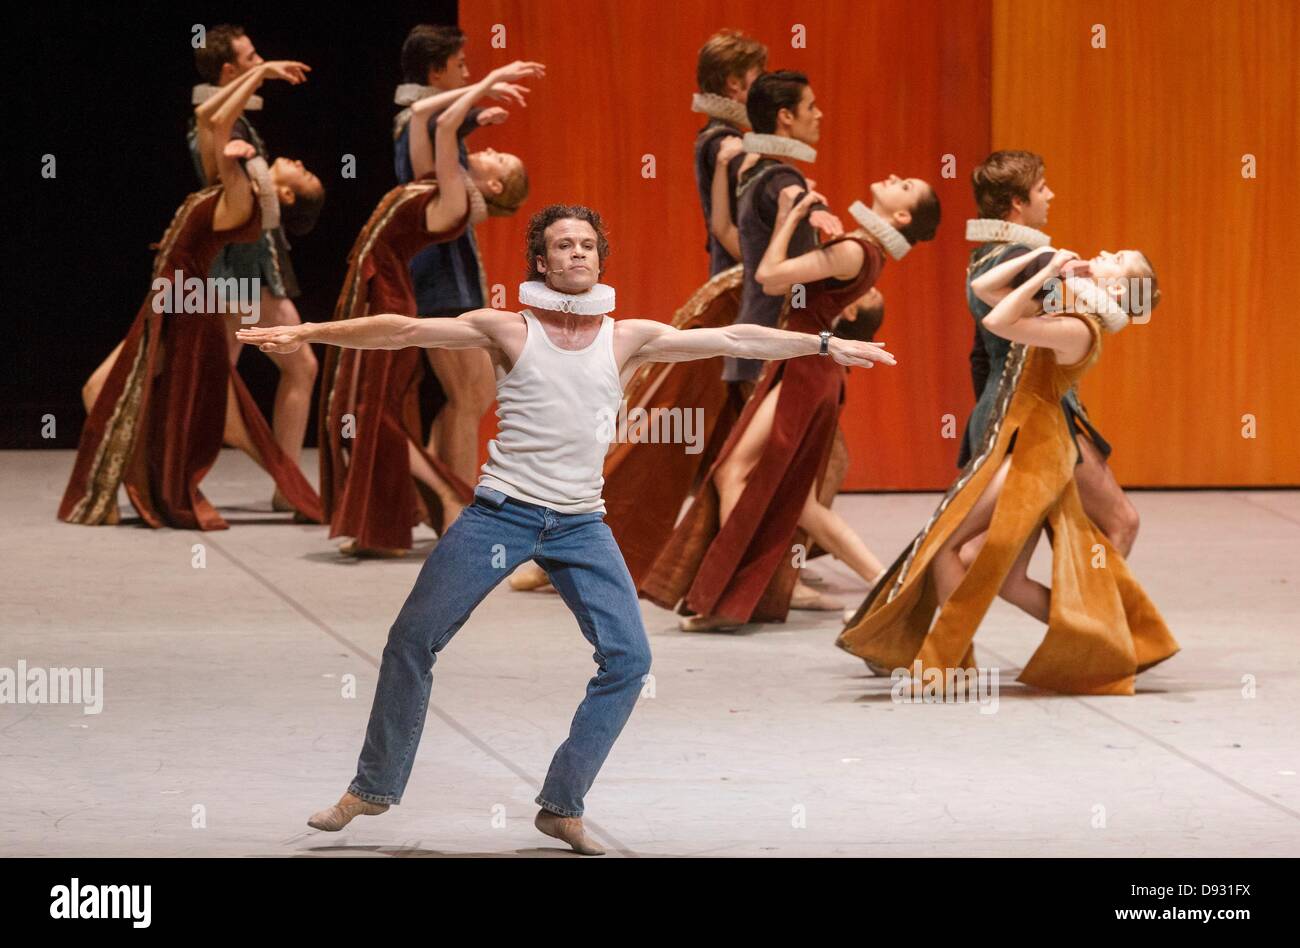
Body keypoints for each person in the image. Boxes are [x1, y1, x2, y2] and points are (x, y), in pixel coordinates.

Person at [237, 204, 896, 854]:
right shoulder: (507, 328)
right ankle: (372, 787)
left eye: (586, 244)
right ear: (542, 261)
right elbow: (403, 330)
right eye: (563, 245)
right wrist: (310, 332)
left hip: (581, 524)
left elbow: (735, 340)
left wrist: (825, 343)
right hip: (502, 513)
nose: (577, 253)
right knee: (411, 640)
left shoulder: (627, 338)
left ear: (599, 259)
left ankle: (562, 804)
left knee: (631, 660)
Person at [838, 245, 1178, 695]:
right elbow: (986, 289)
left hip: (1038, 453)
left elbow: (997, 321)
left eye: (1117, 259)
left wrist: (1049, 273)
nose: (1105, 252)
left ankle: (948, 667)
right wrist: (1042, 256)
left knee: (948, 544)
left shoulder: (1080, 328)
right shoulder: (1069, 304)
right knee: (1010, 581)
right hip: (1024, 441)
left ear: (1116, 288)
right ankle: (1106, 641)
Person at [642, 176, 940, 629]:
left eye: (905, 185)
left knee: (733, 472)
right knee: (797, 501)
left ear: (901, 216)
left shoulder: (854, 252)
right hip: (807, 364)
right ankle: (885, 583)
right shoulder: (861, 248)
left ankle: (727, 602)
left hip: (806, 367)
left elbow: (770, 277)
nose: (894, 177)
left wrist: (788, 217)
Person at [61, 61, 323, 529]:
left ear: (283, 195)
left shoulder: (240, 197)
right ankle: (167, 478)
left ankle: (165, 479)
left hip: (186, 301)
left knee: (199, 397)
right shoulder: (237, 189)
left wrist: (255, 74)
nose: (298, 161)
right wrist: (258, 73)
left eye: (303, 173)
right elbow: (210, 120)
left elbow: (216, 123)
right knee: (203, 399)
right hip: (178, 300)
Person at [319, 60, 540, 556]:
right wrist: (483, 96)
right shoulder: (442, 182)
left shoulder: (455, 198)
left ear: (494, 187)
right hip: (375, 288)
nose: (487, 151)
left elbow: (441, 125)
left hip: (391, 293)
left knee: (368, 409)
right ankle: (413, 509)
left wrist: (485, 81)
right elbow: (422, 114)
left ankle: (449, 498)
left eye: (497, 159)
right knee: (361, 407)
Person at [961, 151, 1140, 557]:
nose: (1051, 195)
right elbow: (1101, 310)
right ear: (1018, 203)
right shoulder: (1033, 262)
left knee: (997, 547)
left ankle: (1080, 613)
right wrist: (1123, 289)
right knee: (1118, 523)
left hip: (994, 406)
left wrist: (984, 413)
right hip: (1039, 415)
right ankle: (1093, 615)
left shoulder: (981, 259)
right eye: (1042, 188)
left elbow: (980, 357)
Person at [186, 25, 323, 503]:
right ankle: (277, 478)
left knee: (229, 374)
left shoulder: (242, 124)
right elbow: (210, 125)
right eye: (251, 57)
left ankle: (279, 481)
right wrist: (265, 70)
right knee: (226, 378)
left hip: (251, 270)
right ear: (230, 70)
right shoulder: (218, 126)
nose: (261, 60)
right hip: (235, 272)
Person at [394, 24, 530, 487]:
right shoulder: (425, 127)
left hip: (449, 282)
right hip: (439, 284)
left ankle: (442, 489)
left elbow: (442, 126)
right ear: (435, 72)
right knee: (467, 398)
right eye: (461, 66)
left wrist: (477, 108)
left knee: (471, 396)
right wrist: (490, 82)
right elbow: (434, 123)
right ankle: (456, 498)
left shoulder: (444, 145)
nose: (468, 72)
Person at [691, 29, 767, 276]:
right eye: (758, 77)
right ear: (734, 82)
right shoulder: (727, 144)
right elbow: (731, 229)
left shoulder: (713, 136)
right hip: (741, 281)